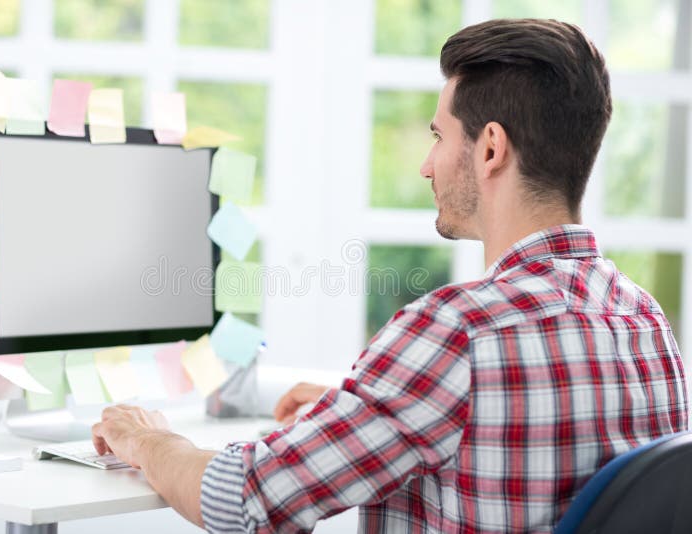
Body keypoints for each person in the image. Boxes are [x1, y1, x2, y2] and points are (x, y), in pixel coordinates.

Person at [92, 18, 689, 533]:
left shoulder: (458, 332)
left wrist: (146, 438)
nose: (428, 164)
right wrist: (368, 412)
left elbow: (240, 500)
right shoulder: (646, 322)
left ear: (489, 150)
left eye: (438, 135)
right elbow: (545, 442)